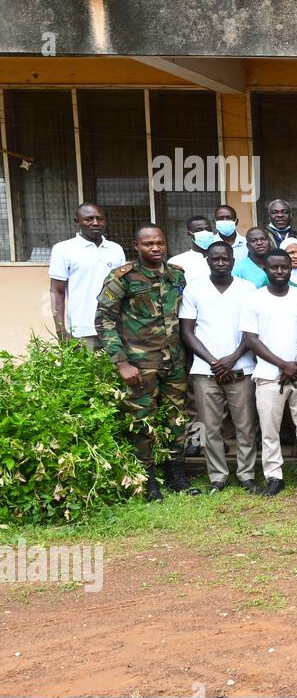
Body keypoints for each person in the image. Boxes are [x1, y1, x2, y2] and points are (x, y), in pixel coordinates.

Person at [96, 224, 194, 501]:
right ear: (135, 246)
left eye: (160, 243)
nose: (155, 248)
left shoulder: (177, 275)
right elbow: (104, 320)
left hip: (174, 361)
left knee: (178, 418)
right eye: (149, 243)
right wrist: (121, 363)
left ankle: (177, 475)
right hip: (139, 363)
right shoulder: (123, 277)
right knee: (141, 420)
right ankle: (148, 481)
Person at [241, 249, 297, 496]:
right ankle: (274, 475)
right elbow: (250, 339)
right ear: (266, 270)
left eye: (284, 267)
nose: (280, 271)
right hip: (269, 374)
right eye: (274, 267)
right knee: (269, 428)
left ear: (291, 269)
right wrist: (282, 364)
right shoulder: (254, 299)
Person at [180, 240, 259, 493]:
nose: (220, 262)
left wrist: (233, 357)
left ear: (233, 261)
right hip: (205, 371)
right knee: (209, 427)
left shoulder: (248, 288)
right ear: (208, 261)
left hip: (241, 368)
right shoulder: (194, 289)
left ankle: (246, 474)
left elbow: (253, 330)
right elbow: (187, 331)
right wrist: (214, 361)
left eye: (225, 258)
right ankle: (217, 476)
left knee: (245, 426)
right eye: (215, 259)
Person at [49, 202, 126, 350]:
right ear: (77, 222)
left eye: (99, 218)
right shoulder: (64, 249)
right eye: (89, 219)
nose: (95, 223)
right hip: (81, 330)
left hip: (114, 328)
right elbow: (56, 292)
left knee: (117, 372)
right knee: (84, 372)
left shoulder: (116, 249)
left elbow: (122, 288)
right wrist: (60, 330)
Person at [168, 214, 218, 285]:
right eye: (199, 230)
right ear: (189, 233)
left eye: (208, 229)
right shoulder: (176, 262)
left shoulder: (222, 259)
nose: (205, 232)